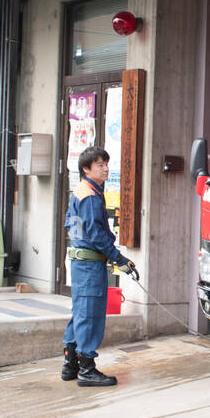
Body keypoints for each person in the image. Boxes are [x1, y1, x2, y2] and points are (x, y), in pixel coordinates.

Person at [62, 146, 135, 386]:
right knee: (90, 316)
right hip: (90, 264)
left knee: (80, 313)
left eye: (106, 163)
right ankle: (86, 369)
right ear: (86, 168)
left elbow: (70, 224)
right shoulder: (91, 195)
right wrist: (119, 258)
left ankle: (70, 364)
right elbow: (96, 234)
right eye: (99, 165)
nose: (105, 168)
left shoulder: (82, 190)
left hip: (80, 261)